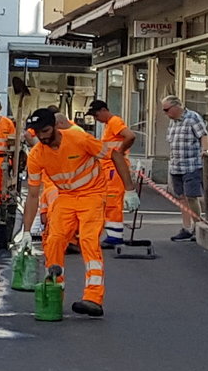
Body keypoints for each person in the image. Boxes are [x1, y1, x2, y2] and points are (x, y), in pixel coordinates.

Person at [24, 105, 112, 317]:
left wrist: (128, 189)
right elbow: (33, 195)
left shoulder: (78, 139)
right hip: (67, 197)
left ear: (54, 127)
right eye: (37, 132)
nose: (41, 137)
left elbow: (112, 155)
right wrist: (26, 231)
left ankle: (93, 297)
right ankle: (55, 290)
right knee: (54, 240)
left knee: (89, 241)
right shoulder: (36, 155)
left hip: (92, 194)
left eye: (45, 131)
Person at [85, 98, 136, 237]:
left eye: (96, 115)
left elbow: (130, 136)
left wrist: (119, 152)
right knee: (110, 202)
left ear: (103, 110)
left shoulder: (114, 122)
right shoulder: (110, 124)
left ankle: (115, 236)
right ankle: (113, 234)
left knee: (113, 202)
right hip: (111, 168)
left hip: (114, 169)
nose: (96, 119)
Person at [161, 95, 208, 239]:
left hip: (191, 164)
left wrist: (204, 151)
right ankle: (186, 227)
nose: (165, 113)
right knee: (181, 197)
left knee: (191, 196)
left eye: (166, 110)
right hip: (176, 165)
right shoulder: (173, 122)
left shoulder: (193, 118)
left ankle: (197, 226)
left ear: (176, 107)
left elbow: (203, 135)